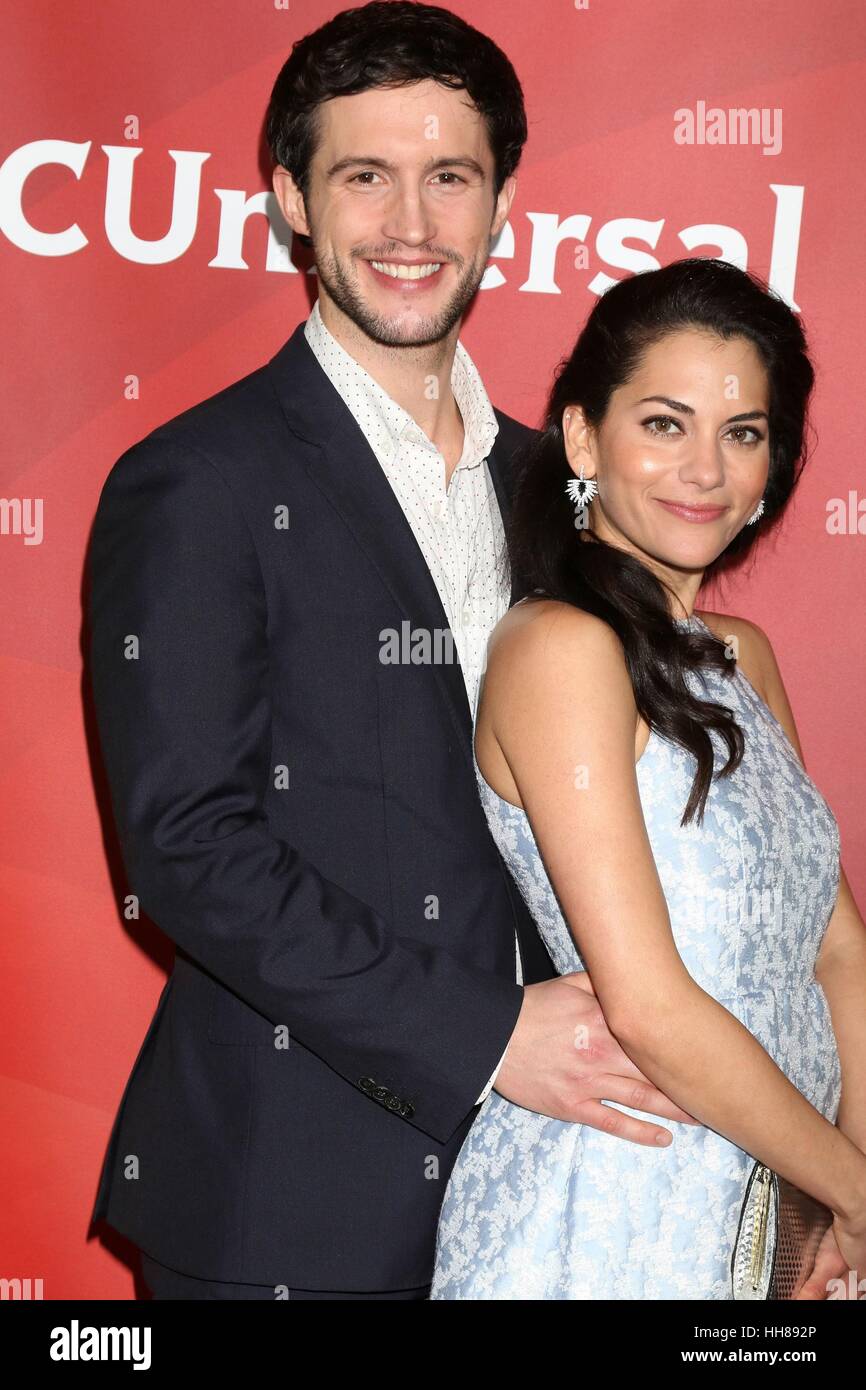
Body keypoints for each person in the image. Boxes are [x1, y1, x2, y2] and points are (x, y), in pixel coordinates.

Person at [87, 2, 697, 1301]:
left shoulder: (560, 495)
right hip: (290, 1199)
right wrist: (487, 1036)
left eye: (448, 177)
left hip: (559, 1193)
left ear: (502, 205)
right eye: (364, 176)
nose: (410, 224)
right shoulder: (197, 480)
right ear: (290, 202)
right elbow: (187, 845)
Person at [430, 256, 866, 1300]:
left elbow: (837, 946)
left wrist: (835, 1198)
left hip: (780, 1204)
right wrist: (852, 1188)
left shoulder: (739, 654)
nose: (704, 471)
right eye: (663, 424)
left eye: (742, 432)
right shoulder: (557, 648)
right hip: (622, 1204)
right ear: (582, 437)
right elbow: (648, 1004)